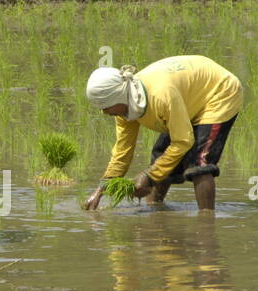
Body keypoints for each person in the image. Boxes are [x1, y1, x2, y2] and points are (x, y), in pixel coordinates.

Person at [83, 55, 243, 213]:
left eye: (105, 106)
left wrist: (149, 176)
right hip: (189, 98)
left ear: (118, 96)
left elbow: (183, 141)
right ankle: (154, 211)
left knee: (200, 162)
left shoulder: (160, 96)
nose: (104, 112)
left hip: (219, 92)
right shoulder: (124, 110)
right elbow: (122, 153)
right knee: (161, 156)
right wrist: (101, 189)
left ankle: (206, 222)